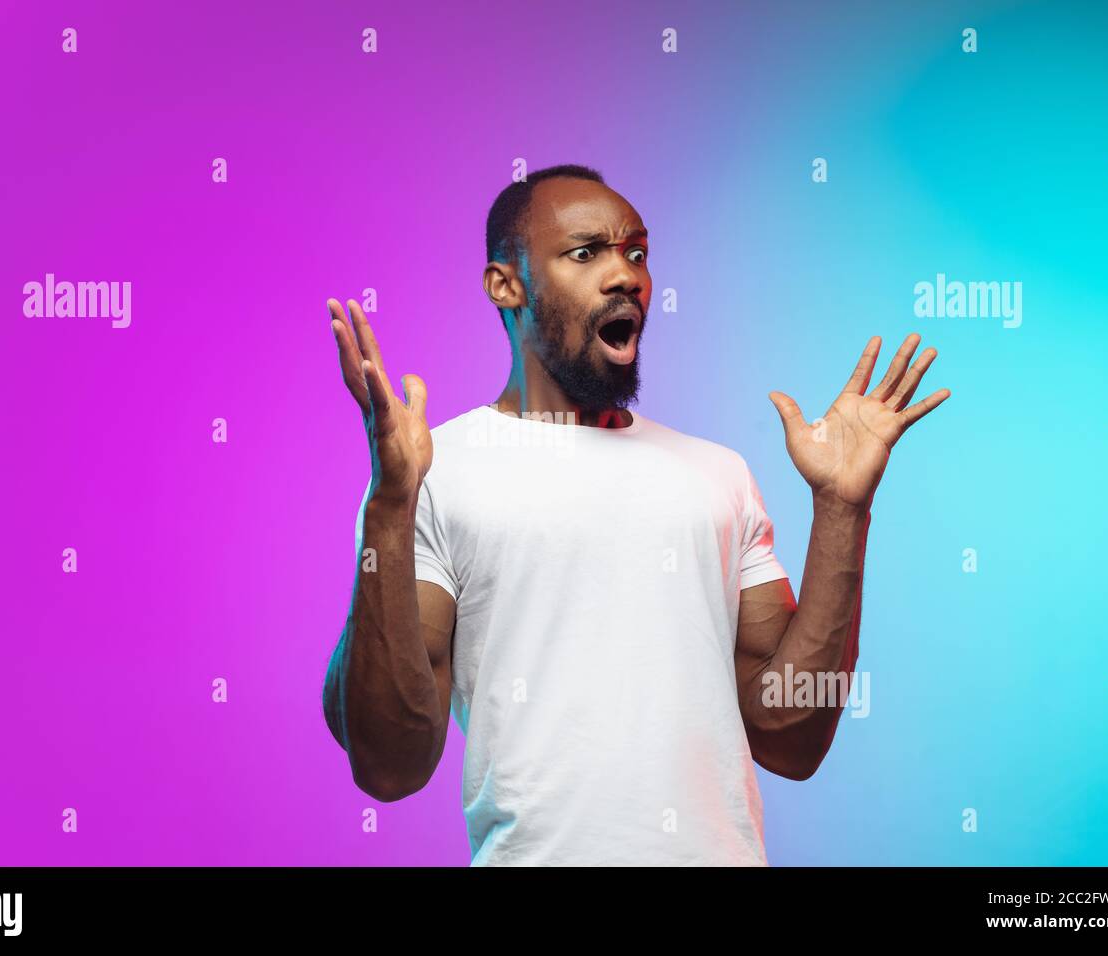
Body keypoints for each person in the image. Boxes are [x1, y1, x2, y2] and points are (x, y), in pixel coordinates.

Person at [321, 164, 950, 866]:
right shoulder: (439, 472)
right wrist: (390, 507)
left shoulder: (717, 476)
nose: (625, 274)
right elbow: (391, 763)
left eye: (636, 252)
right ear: (507, 285)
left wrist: (842, 508)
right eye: (585, 253)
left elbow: (791, 739)